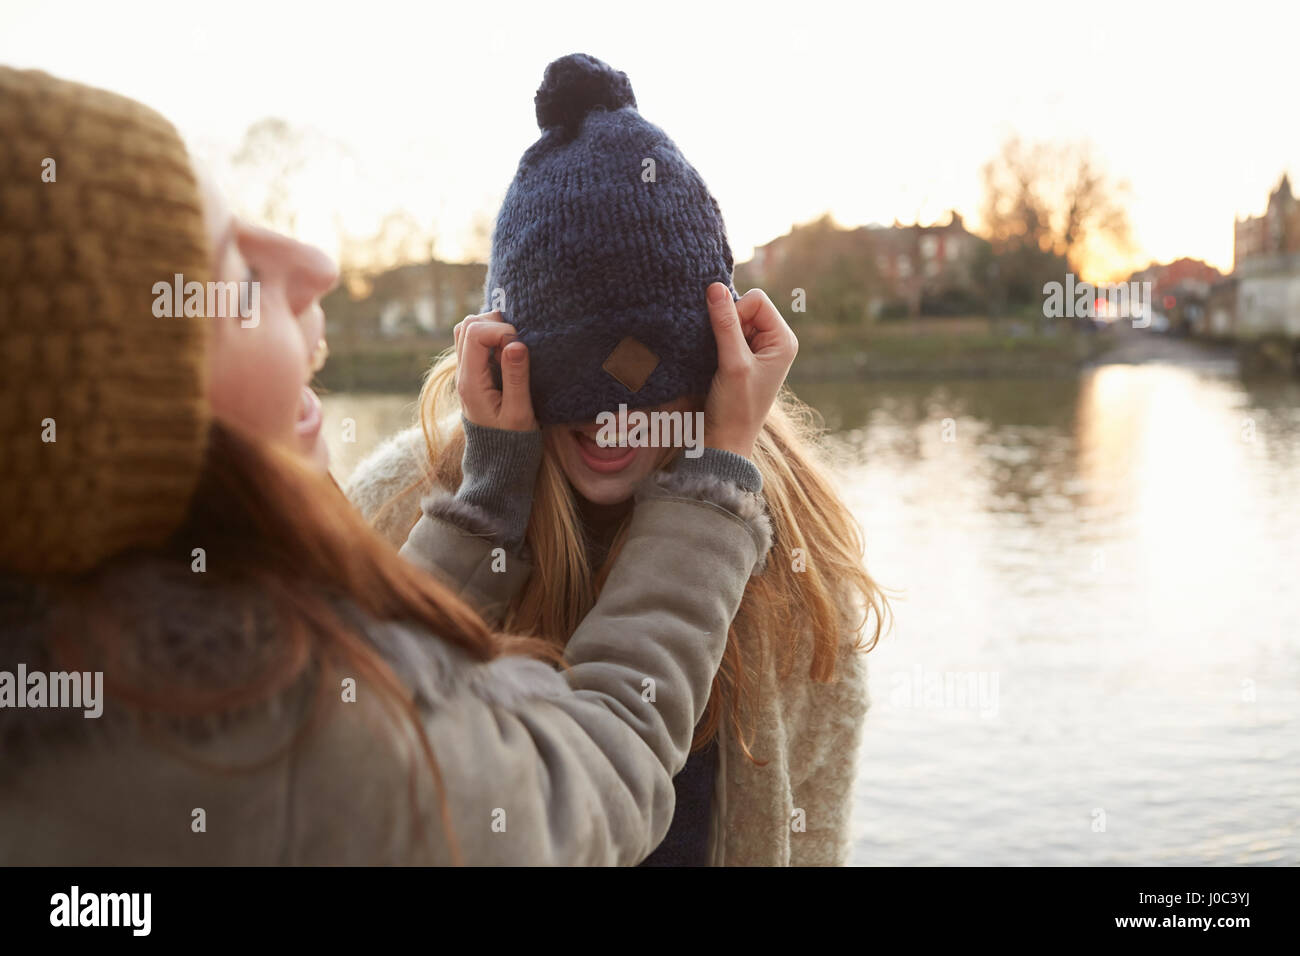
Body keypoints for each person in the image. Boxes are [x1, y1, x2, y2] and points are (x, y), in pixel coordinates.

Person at [0, 66, 791, 865]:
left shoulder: (100, 654)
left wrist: (489, 496)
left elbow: (382, 678)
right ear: (135, 417)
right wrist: (713, 479)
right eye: (234, 275)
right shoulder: (255, 734)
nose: (317, 262)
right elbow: (594, 769)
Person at [347, 53, 889, 865]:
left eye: (649, 383)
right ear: (502, 357)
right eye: (575, 384)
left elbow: (809, 835)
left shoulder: (799, 567)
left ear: (721, 360)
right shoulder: (398, 505)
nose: (614, 422)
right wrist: (485, 502)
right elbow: (336, 773)